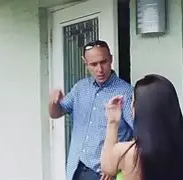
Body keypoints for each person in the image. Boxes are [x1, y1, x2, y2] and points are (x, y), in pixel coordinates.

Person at [49, 40, 134, 180]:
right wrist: (52, 103)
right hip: (75, 168)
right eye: (93, 64)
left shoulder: (126, 93)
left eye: (104, 62)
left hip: (103, 174)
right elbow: (57, 113)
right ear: (85, 63)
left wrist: (118, 163)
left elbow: (140, 136)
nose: (99, 69)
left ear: (111, 59)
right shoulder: (80, 88)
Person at [101, 74, 183, 180]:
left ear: (141, 110)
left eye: (133, 102)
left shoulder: (128, 153)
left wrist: (113, 122)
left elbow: (107, 167)